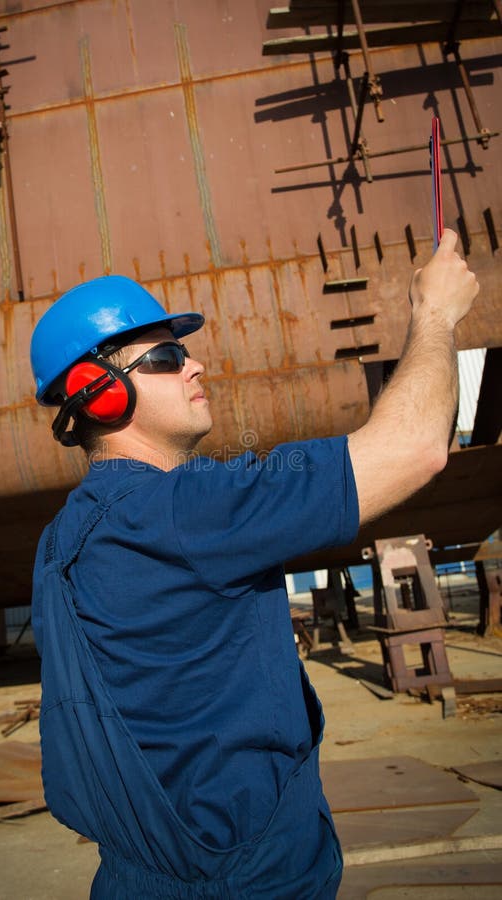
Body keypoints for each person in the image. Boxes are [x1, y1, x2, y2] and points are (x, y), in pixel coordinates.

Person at [30, 229, 478, 899]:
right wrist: (435, 312)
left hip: (136, 876)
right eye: (167, 356)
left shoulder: (60, 543)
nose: (195, 366)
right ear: (100, 391)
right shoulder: (190, 509)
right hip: (243, 881)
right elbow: (415, 448)